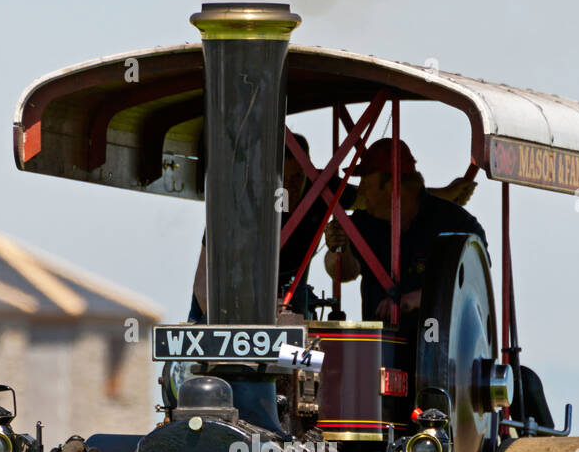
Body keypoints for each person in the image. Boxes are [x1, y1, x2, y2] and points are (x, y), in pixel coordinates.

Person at [188, 134, 349, 321]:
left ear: (309, 172)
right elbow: (203, 286)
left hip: (289, 308)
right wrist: (254, 315)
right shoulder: (237, 203)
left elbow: (370, 197)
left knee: (304, 340)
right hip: (225, 310)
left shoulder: (323, 189)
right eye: (282, 179)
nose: (290, 186)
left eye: (297, 177)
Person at [323, 139, 487, 322]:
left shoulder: (457, 223)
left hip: (439, 344)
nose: (360, 191)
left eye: (365, 182)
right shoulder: (363, 222)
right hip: (381, 346)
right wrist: (339, 248)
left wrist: (419, 297)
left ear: (392, 186)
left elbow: (474, 282)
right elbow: (343, 273)